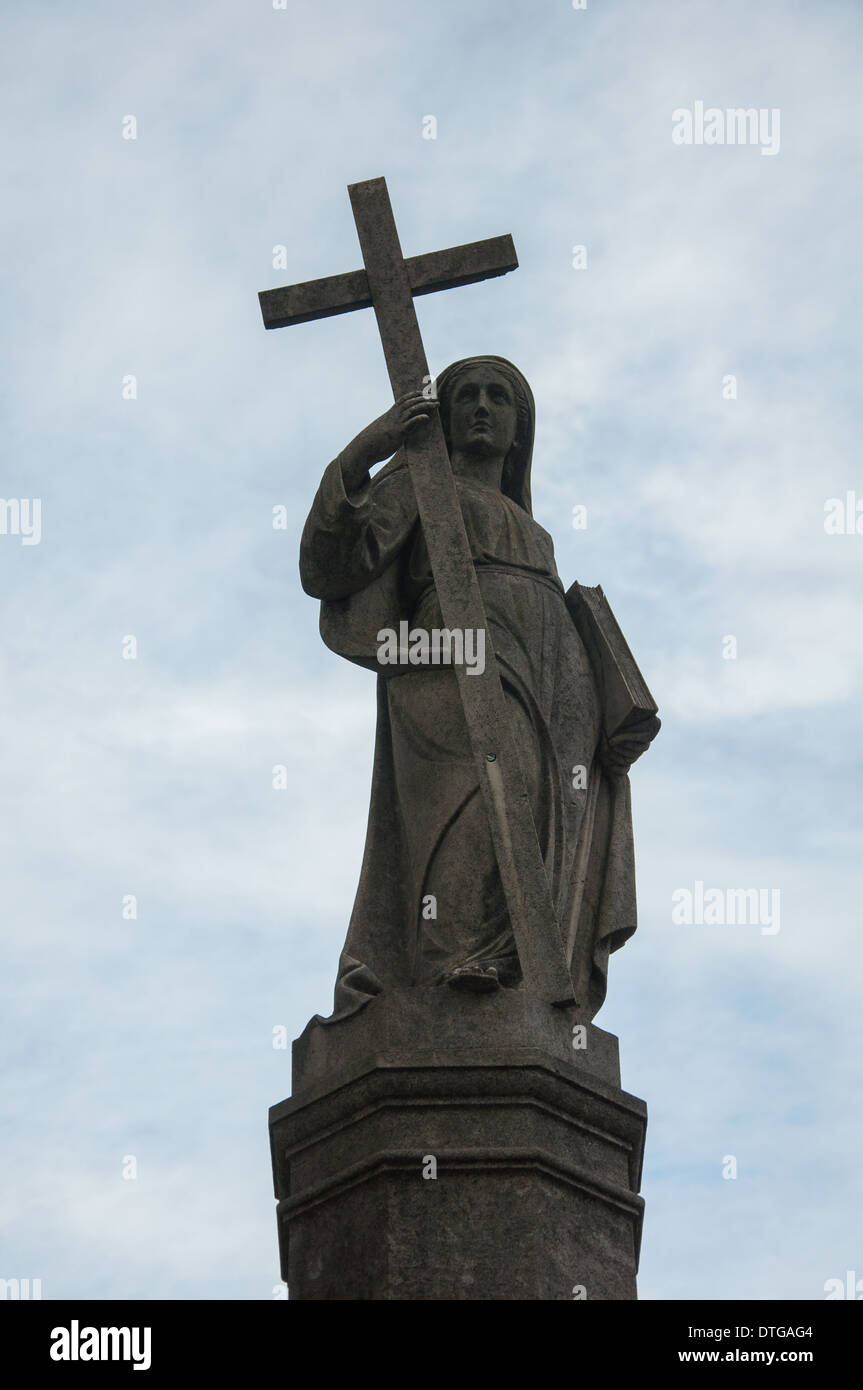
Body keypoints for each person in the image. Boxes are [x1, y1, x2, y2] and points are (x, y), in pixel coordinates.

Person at [299, 356, 656, 1022]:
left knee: (546, 808)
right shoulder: (419, 485)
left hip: (558, 672)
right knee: (476, 792)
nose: (483, 406)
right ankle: (451, 959)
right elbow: (333, 561)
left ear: (520, 428)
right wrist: (370, 448)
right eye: (466, 396)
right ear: (444, 415)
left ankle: (518, 971)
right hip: (453, 654)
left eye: (500, 397)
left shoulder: (533, 527)